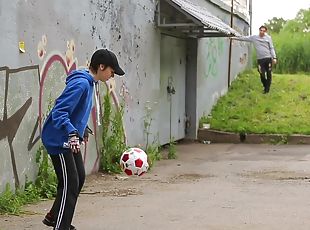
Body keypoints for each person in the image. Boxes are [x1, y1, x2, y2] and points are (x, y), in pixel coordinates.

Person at [41, 49, 125, 230]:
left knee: (78, 177)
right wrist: (71, 132)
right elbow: (59, 111)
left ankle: (54, 216)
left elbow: (75, 111)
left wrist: (81, 128)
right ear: (101, 67)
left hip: (69, 137)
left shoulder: (91, 83)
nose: (112, 75)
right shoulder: (81, 84)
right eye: (112, 71)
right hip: (59, 139)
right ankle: (61, 226)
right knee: (70, 184)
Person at [233, 25, 277, 94]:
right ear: (259, 30)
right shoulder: (254, 38)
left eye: (263, 31)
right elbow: (244, 38)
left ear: (265, 32)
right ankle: (266, 85)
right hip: (260, 59)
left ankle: (267, 89)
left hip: (268, 58)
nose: (262, 32)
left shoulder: (268, 38)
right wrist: (233, 37)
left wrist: (274, 57)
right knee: (261, 73)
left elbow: (271, 48)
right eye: (261, 30)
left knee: (268, 73)